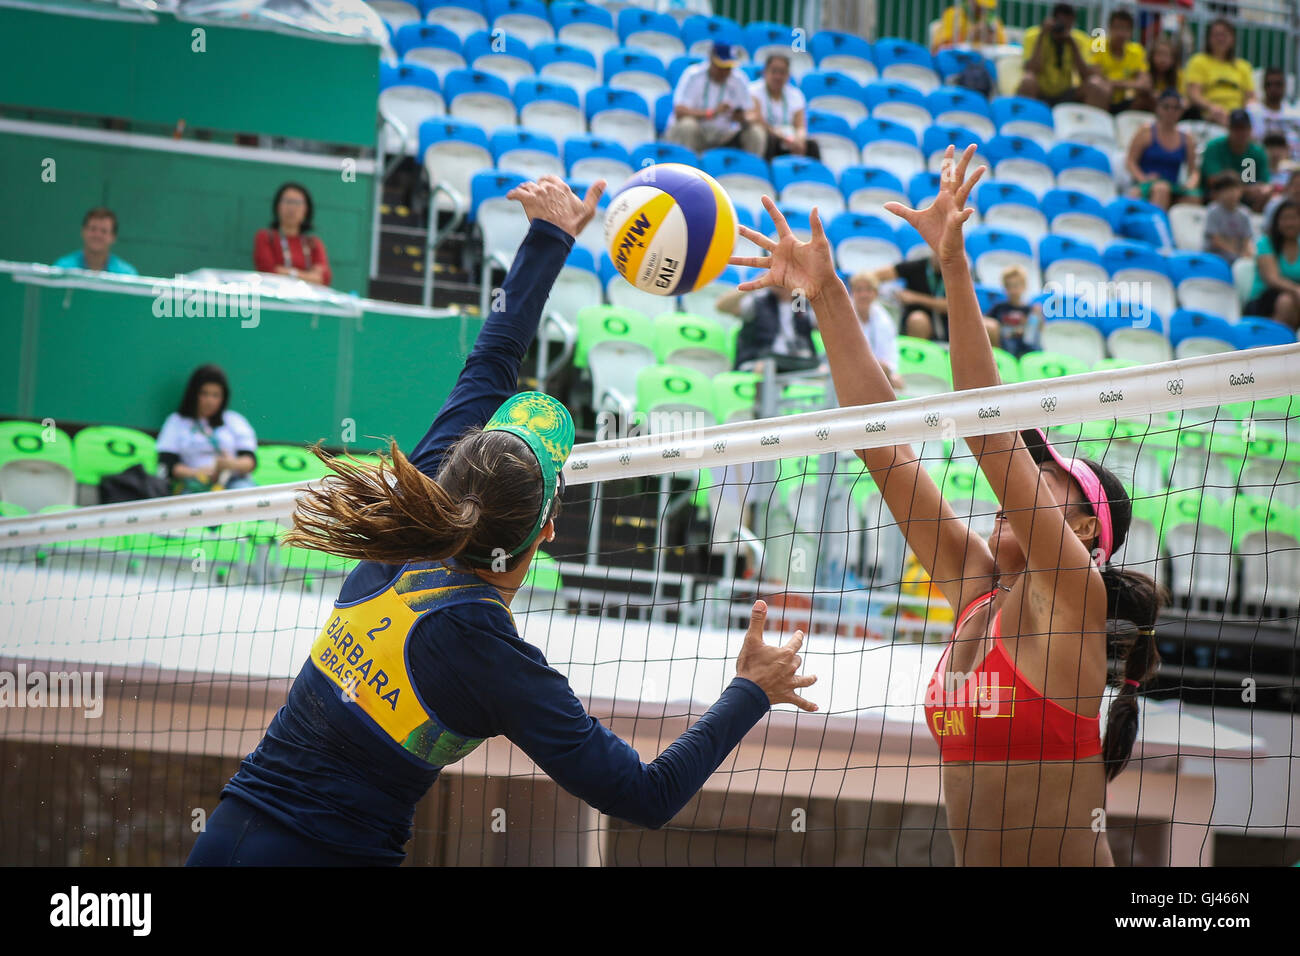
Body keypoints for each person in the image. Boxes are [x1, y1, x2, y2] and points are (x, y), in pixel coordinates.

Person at [186, 176, 816, 866]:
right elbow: (644, 795)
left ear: (455, 466)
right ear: (545, 535)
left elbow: (492, 360)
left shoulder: (411, 511)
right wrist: (752, 689)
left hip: (228, 832)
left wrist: (551, 235)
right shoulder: (493, 659)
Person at [730, 144, 1166, 865]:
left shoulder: (1072, 595)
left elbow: (990, 432)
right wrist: (827, 291)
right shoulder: (977, 589)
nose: (1024, 477)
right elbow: (880, 445)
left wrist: (953, 269)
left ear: (1086, 528)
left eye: (1046, 472)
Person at [156, 365, 258, 493]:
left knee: (245, 491)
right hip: (193, 485)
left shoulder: (234, 420)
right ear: (193, 394)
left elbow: (250, 461)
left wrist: (230, 464)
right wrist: (196, 473)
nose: (210, 401)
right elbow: (167, 465)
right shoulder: (176, 421)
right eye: (204, 393)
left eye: (216, 395)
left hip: (232, 483)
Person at [665, 42, 765, 156]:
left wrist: (741, 117)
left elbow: (752, 114)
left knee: (755, 132)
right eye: (721, 66)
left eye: (729, 67)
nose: (725, 71)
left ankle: (749, 171)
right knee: (687, 125)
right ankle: (685, 167)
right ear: (711, 59)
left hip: (725, 135)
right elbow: (680, 111)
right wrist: (712, 113)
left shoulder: (739, 79)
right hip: (698, 131)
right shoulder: (693, 75)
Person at [1124, 89, 1198, 210]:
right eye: (1166, 107)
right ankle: (1156, 224)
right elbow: (1130, 162)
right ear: (1158, 108)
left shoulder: (1187, 138)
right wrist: (1143, 179)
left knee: (1194, 197)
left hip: (1173, 186)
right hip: (1147, 183)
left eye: (1176, 108)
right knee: (1161, 189)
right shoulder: (1146, 132)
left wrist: (1191, 184)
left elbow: (1194, 171)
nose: (1171, 112)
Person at [1018, 4, 1104, 108]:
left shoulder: (1079, 39)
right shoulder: (1034, 35)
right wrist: (1041, 37)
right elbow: (1032, 69)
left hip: (1066, 92)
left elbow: (1086, 75)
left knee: (1095, 84)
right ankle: (1027, 118)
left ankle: (1089, 123)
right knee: (1028, 80)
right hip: (1040, 91)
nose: (1062, 29)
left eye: (1068, 25)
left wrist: (1073, 45)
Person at [717, 285, 820, 373]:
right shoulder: (758, 301)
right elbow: (722, 306)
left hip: (798, 361)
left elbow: (827, 327)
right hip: (760, 360)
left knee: (824, 371)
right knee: (765, 369)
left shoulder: (802, 304)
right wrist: (753, 284)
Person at [253, 182, 332, 286]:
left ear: (306, 210)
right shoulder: (265, 237)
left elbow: (324, 279)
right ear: (277, 206)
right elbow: (268, 272)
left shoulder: (313, 244)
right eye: (287, 201)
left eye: (298, 203)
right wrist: (308, 276)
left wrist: (288, 272)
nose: (292, 208)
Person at [750, 53, 820, 162]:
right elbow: (758, 121)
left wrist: (799, 140)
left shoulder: (796, 94)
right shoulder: (754, 91)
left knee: (812, 145)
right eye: (774, 71)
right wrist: (783, 137)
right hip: (771, 136)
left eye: (782, 72)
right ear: (765, 72)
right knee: (768, 139)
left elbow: (800, 126)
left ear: (788, 75)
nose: (778, 77)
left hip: (790, 138)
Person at [1185, 18, 1255, 126]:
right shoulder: (1198, 61)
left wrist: (1245, 114)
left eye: (1224, 35)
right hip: (1208, 116)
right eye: (1216, 35)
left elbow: (1250, 97)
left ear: (1233, 39)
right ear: (1208, 38)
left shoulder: (1243, 66)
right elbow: (1194, 94)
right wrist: (1212, 107)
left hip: (1237, 119)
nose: (1220, 38)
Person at [1244, 199, 1300, 330]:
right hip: (1264, 299)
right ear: (1276, 222)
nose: (1290, 223)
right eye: (1285, 219)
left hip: (1294, 296)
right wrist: (1296, 290)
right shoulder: (1265, 242)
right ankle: (1276, 343)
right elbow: (1272, 279)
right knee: (1287, 302)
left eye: (1294, 218)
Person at [1201, 110, 1272, 211]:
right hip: (1220, 195)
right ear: (1228, 129)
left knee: (1266, 194)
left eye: (1243, 128)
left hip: (1248, 198)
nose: (1240, 133)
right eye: (1236, 129)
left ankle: (1255, 222)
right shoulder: (1214, 147)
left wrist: (1262, 189)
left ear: (1250, 129)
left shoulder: (1258, 152)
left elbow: (1265, 182)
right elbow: (1212, 180)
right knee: (1223, 192)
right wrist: (1244, 189)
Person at [871, 255, 949, 341]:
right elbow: (872, 277)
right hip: (915, 324)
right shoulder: (917, 266)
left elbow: (953, 307)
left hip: (948, 327)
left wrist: (915, 298)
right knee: (918, 320)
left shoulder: (959, 272)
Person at [1087, 9, 1151, 113]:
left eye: (1125, 29)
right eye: (1117, 28)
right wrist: (1131, 84)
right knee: (1100, 88)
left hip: (1125, 100)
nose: (1121, 33)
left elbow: (1145, 84)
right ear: (1110, 28)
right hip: (1102, 98)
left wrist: (1112, 83)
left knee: (1146, 96)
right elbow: (1096, 78)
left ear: (1131, 32)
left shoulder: (1137, 50)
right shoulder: (1098, 44)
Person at [849, 272, 903, 389]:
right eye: (859, 290)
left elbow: (890, 351)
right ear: (852, 293)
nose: (864, 295)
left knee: (897, 382)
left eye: (868, 290)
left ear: (876, 293)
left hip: (879, 370)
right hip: (850, 371)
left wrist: (892, 373)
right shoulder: (844, 315)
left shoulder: (883, 317)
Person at [53, 207, 138, 276]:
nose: (97, 235)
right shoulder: (62, 269)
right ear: (83, 232)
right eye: (93, 229)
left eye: (104, 231)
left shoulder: (126, 275)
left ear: (113, 237)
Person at [1249, 67, 1300, 166]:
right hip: (1261, 164)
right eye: (1269, 84)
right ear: (1263, 87)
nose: (1273, 88)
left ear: (1285, 86)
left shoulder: (1295, 115)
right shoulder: (1252, 112)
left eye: (1278, 84)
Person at [989, 265, 1041, 357]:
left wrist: (1037, 316)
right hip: (1005, 343)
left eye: (1016, 286)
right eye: (1009, 286)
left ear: (1024, 286)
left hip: (1024, 343)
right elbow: (990, 324)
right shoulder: (999, 307)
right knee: (1008, 343)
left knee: (1033, 346)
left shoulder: (1029, 310)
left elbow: (1033, 333)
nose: (1012, 290)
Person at [1202, 171, 1254, 263]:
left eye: (1234, 189)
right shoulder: (1213, 211)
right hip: (1215, 257)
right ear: (1217, 194)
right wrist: (1237, 254)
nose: (1231, 193)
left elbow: (1247, 240)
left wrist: (1248, 255)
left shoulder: (1245, 214)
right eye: (1226, 190)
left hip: (1237, 257)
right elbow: (1216, 241)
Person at [931, 0, 1006, 53]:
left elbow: (1004, 47)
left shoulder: (993, 20)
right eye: (979, 5)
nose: (983, 9)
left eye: (986, 7)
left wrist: (992, 39)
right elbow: (942, 49)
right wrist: (970, 36)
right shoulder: (953, 15)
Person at [1146, 36, 1184, 102]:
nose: (1163, 60)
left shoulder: (1179, 75)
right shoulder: (1145, 72)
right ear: (1151, 56)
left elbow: (1182, 98)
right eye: (1159, 54)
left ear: (1174, 59)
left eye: (1167, 55)